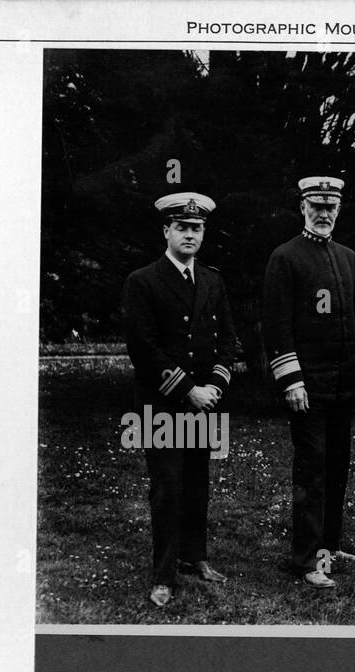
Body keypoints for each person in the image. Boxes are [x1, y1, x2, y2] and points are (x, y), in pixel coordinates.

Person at [122, 191, 237, 607]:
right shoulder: (143, 281)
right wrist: (189, 389)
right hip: (162, 405)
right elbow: (143, 347)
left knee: (196, 483)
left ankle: (195, 557)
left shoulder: (212, 280)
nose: (190, 234)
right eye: (182, 228)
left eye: (197, 228)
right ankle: (163, 573)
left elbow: (228, 340)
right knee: (167, 487)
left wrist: (215, 389)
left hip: (205, 402)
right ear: (166, 231)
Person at [262, 176, 355, 589]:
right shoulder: (285, 257)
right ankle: (305, 558)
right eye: (317, 206)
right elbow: (276, 326)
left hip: (344, 385)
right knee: (311, 471)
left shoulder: (347, 257)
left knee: (338, 467)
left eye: (331, 207)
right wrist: (291, 380)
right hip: (307, 389)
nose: (324, 213)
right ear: (303, 208)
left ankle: (329, 544)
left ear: (338, 210)